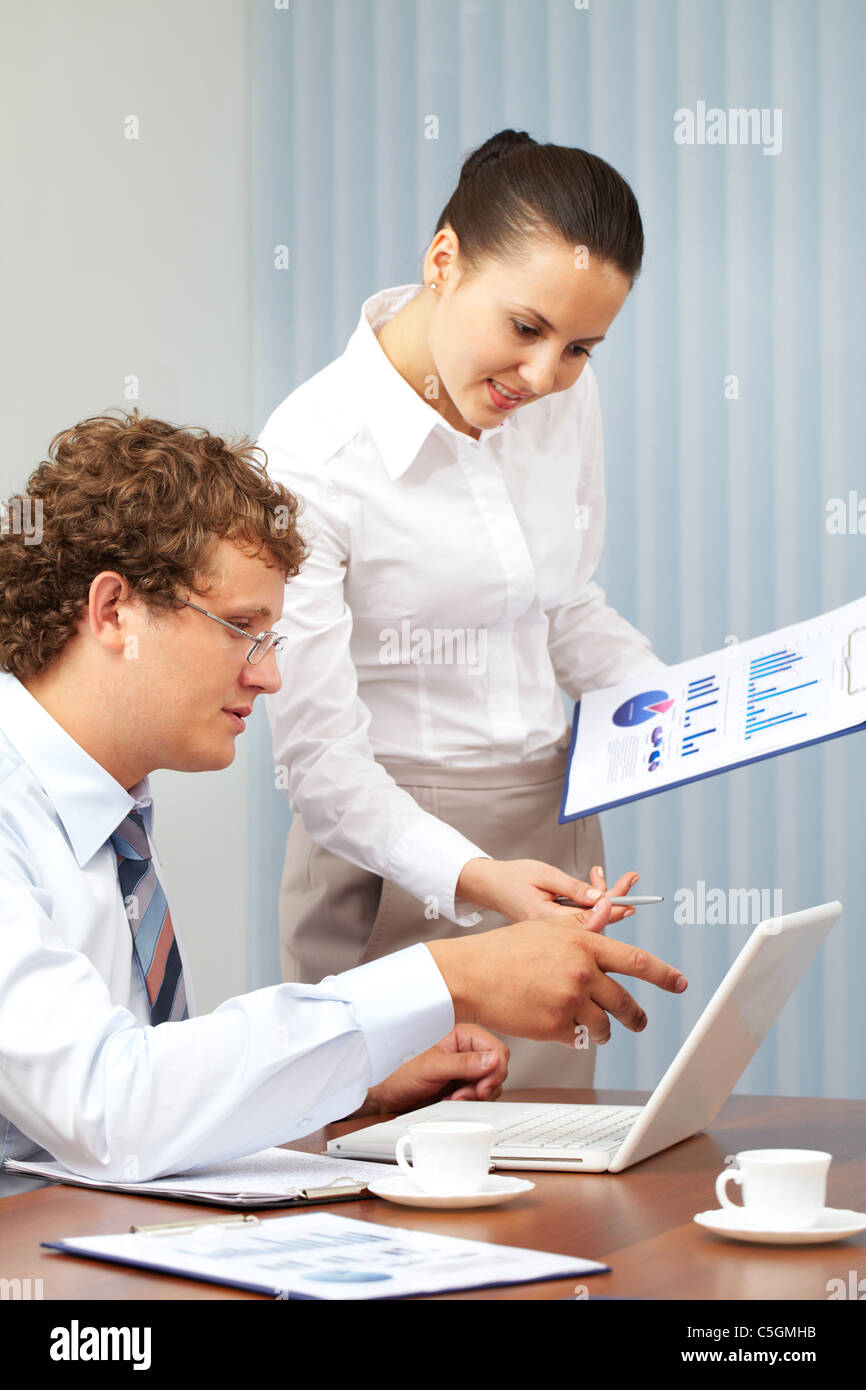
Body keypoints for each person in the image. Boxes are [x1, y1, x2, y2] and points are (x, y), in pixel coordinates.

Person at [0, 412, 686, 1188]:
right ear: (114, 610)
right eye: (241, 629)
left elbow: (127, 1108)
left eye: (273, 639)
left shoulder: (109, 813)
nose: (269, 676)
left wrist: (349, 1086)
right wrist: (443, 976)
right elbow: (112, 1110)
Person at [259, 129, 669, 1086]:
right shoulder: (311, 455)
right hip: (388, 848)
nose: (544, 377)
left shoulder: (564, 398)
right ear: (443, 261)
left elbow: (561, 604)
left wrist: (678, 707)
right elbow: (320, 765)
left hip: (554, 829)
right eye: (526, 330)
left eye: (580, 347)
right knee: (384, 1181)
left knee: (561, 1182)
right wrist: (479, 878)